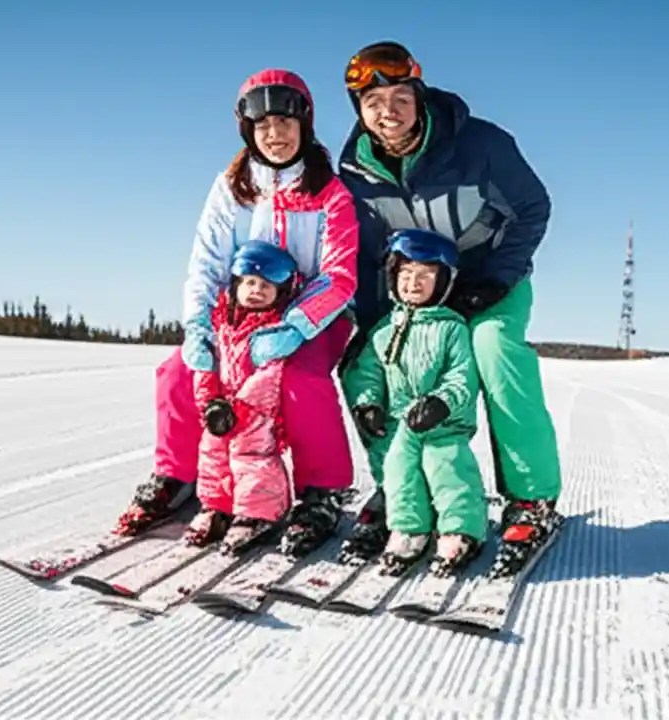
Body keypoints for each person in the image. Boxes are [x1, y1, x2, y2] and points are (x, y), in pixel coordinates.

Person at [335, 41, 562, 576]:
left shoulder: (479, 144)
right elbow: (367, 253)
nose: (387, 111)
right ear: (359, 110)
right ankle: (399, 489)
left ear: (420, 96)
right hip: (411, 295)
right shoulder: (355, 173)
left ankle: (531, 499)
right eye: (373, 102)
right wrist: (370, 326)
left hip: (486, 287)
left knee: (494, 352)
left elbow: (533, 208)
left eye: (398, 97)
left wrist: (494, 281)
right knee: (372, 368)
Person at [114, 69, 360, 558]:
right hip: (237, 318)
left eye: (285, 122)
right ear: (248, 130)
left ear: (305, 123)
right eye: (263, 124)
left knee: (299, 381)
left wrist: (295, 326)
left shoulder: (330, 193)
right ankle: (178, 476)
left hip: (315, 317)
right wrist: (199, 325)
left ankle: (321, 491)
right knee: (180, 372)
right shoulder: (232, 188)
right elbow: (206, 262)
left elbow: (339, 274)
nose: (275, 133)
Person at [342, 229, 488, 577]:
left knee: (447, 468)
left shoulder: (452, 328)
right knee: (398, 472)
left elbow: (461, 375)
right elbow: (367, 374)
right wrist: (368, 405)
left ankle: (460, 529)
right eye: (406, 273)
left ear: (443, 283)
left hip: (443, 424)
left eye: (425, 275)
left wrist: (440, 402)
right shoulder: (383, 329)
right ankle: (409, 528)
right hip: (399, 425)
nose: (413, 283)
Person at [184, 242, 301, 554]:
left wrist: (239, 407)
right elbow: (206, 367)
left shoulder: (274, 330)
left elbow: (269, 376)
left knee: (252, 456)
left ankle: (257, 512)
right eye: (249, 283)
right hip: (220, 409)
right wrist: (209, 403)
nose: (256, 291)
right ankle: (215, 507)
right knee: (212, 452)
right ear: (235, 285)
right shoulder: (220, 325)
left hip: (255, 414)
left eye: (266, 286)